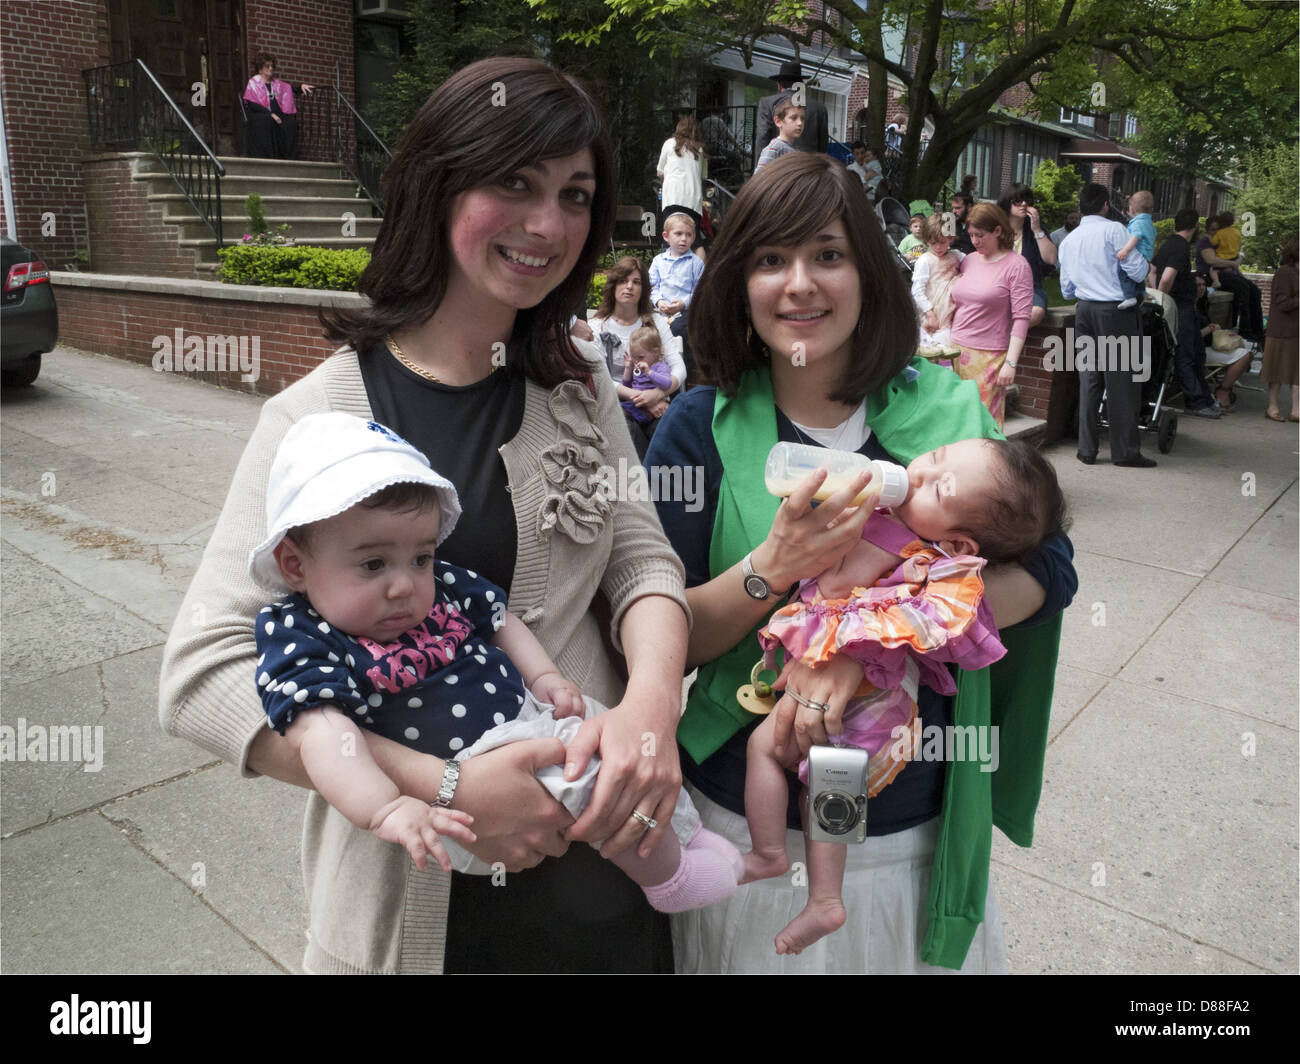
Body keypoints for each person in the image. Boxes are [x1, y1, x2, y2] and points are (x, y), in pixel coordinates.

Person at [160, 57, 692, 975]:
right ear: (438, 182)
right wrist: (442, 786)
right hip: (412, 910)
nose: (547, 224)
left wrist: (649, 710)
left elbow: (640, 560)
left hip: (608, 895)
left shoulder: (580, 384)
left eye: (574, 194)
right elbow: (201, 675)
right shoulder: (313, 418)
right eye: (514, 183)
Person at [645, 150, 1077, 974]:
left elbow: (1051, 570)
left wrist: (878, 645)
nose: (799, 283)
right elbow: (667, 635)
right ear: (738, 281)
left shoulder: (948, 411)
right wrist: (773, 565)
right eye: (770, 259)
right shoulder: (697, 428)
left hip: (906, 830)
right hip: (743, 822)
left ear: (869, 274)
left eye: (828, 256)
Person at [251, 413, 740, 913]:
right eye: (373, 565)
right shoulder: (300, 636)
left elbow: (498, 618)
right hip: (473, 771)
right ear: (295, 564)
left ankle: (689, 832)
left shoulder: (439, 585)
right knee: (594, 780)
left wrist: (544, 675)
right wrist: (385, 807)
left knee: (608, 734)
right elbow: (322, 733)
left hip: (527, 721)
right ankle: (669, 880)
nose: (406, 585)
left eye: (419, 557)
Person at [744, 436, 1066, 955]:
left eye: (939, 488)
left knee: (815, 769)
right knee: (821, 774)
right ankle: (803, 879)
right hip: (883, 693)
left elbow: (832, 584)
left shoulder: (892, 536)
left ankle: (801, 879)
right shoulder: (928, 556)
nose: (916, 476)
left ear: (960, 545)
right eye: (933, 460)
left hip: (868, 694)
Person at [1058, 182, 1154, 467]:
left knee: (1089, 380)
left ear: (1081, 207)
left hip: (1084, 311)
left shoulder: (1069, 240)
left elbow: (1065, 290)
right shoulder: (1114, 230)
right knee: (1122, 382)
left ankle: (1086, 449)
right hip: (1115, 312)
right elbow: (1137, 269)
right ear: (1105, 205)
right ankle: (1125, 452)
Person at [947, 203, 1034, 430]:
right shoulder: (969, 260)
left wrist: (1011, 363)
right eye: (971, 234)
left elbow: (1021, 318)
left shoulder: (1017, 266)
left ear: (997, 230)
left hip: (989, 357)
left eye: (980, 235)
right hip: (954, 350)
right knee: (953, 421)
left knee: (982, 424)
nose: (975, 241)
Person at [588, 255, 686, 438]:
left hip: (657, 398)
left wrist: (657, 394)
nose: (629, 286)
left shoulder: (656, 321)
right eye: (623, 281)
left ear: (643, 289)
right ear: (613, 286)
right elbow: (600, 378)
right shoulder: (597, 326)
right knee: (627, 431)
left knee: (665, 429)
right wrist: (640, 398)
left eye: (636, 282)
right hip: (616, 403)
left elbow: (679, 368)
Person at [1152, 208, 1221, 418]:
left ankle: (1206, 399)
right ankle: (1198, 402)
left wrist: (1155, 293)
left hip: (1179, 308)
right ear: (1195, 227)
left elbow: (1152, 270)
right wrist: (1162, 300)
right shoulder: (1181, 248)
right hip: (1180, 309)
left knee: (1196, 354)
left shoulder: (1168, 244)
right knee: (1187, 356)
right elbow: (1166, 278)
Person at [997, 184, 1058, 328]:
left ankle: (1003, 334)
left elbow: (1051, 259)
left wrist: (1037, 229)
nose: (1024, 204)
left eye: (1027, 200)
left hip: (1029, 288)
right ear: (1007, 202)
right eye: (1017, 200)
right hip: (998, 284)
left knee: (1036, 312)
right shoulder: (996, 229)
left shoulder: (1035, 229)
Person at [651, 212, 706, 371]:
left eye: (688, 235)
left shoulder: (695, 263)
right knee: (646, 328)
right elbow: (652, 286)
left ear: (694, 238)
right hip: (660, 310)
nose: (684, 239)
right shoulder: (658, 261)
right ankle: (651, 372)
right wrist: (659, 301)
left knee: (679, 331)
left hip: (685, 312)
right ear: (666, 236)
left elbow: (700, 291)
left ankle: (681, 372)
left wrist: (683, 303)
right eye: (679, 234)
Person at [1198, 216, 1265, 343]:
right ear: (1207, 230)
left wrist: (1234, 263)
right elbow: (1212, 260)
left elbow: (1235, 257)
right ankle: (1246, 331)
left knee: (1255, 290)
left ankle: (1258, 332)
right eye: (1213, 230)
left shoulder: (1222, 240)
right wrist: (1233, 263)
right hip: (1211, 276)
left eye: (1218, 229)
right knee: (1243, 288)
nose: (1216, 233)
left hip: (1229, 275)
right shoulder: (1205, 243)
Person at [242, 54, 313, 160]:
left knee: (291, 124)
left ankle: (289, 159)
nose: (271, 68)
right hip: (260, 115)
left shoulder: (277, 84)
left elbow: (290, 88)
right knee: (268, 121)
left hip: (277, 115)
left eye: (272, 66)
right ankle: (269, 158)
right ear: (260, 68)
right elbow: (252, 104)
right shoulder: (253, 83)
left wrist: (301, 87)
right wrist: (271, 114)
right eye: (267, 66)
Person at [912, 214, 965, 352]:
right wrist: (930, 313)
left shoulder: (957, 256)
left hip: (950, 313)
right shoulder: (925, 260)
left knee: (946, 352)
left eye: (942, 242)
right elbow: (917, 290)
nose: (937, 247)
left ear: (950, 238)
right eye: (932, 242)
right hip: (931, 315)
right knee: (932, 351)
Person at [619, 326, 675, 455]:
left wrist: (649, 372)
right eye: (634, 357)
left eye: (640, 357)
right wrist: (628, 368)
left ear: (655, 352)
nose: (637, 361)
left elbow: (667, 383)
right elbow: (627, 385)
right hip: (636, 403)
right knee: (619, 411)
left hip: (652, 407)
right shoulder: (637, 366)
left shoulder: (660, 366)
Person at [1262, 237, 1299, 422]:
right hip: (1282, 330)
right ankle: (1272, 407)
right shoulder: (1285, 272)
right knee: (1276, 371)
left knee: (1297, 371)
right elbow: (1282, 302)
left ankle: (1296, 410)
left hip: (1296, 331)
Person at [756, 61, 829, 155]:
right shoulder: (819, 107)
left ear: (779, 85)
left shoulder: (767, 103)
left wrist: (760, 167)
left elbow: (763, 138)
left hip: (779, 165)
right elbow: (823, 144)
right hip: (810, 165)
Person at [656, 116, 707, 245]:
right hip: (693, 200)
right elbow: (704, 176)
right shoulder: (699, 149)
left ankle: (669, 264)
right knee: (695, 242)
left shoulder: (669, 143)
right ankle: (702, 266)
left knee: (670, 237)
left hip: (672, 198)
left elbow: (659, 172)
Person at [1114, 191, 1156, 311]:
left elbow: (1135, 237)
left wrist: (1125, 250)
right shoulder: (1148, 222)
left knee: (1124, 271)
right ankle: (1142, 292)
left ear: (1131, 209)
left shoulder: (1138, 223)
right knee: (1137, 277)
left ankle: (1129, 296)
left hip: (1139, 254)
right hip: (1146, 256)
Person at [755, 98, 804, 173]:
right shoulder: (774, 148)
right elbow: (759, 178)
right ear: (778, 121)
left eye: (802, 118)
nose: (800, 123)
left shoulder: (795, 149)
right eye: (794, 118)